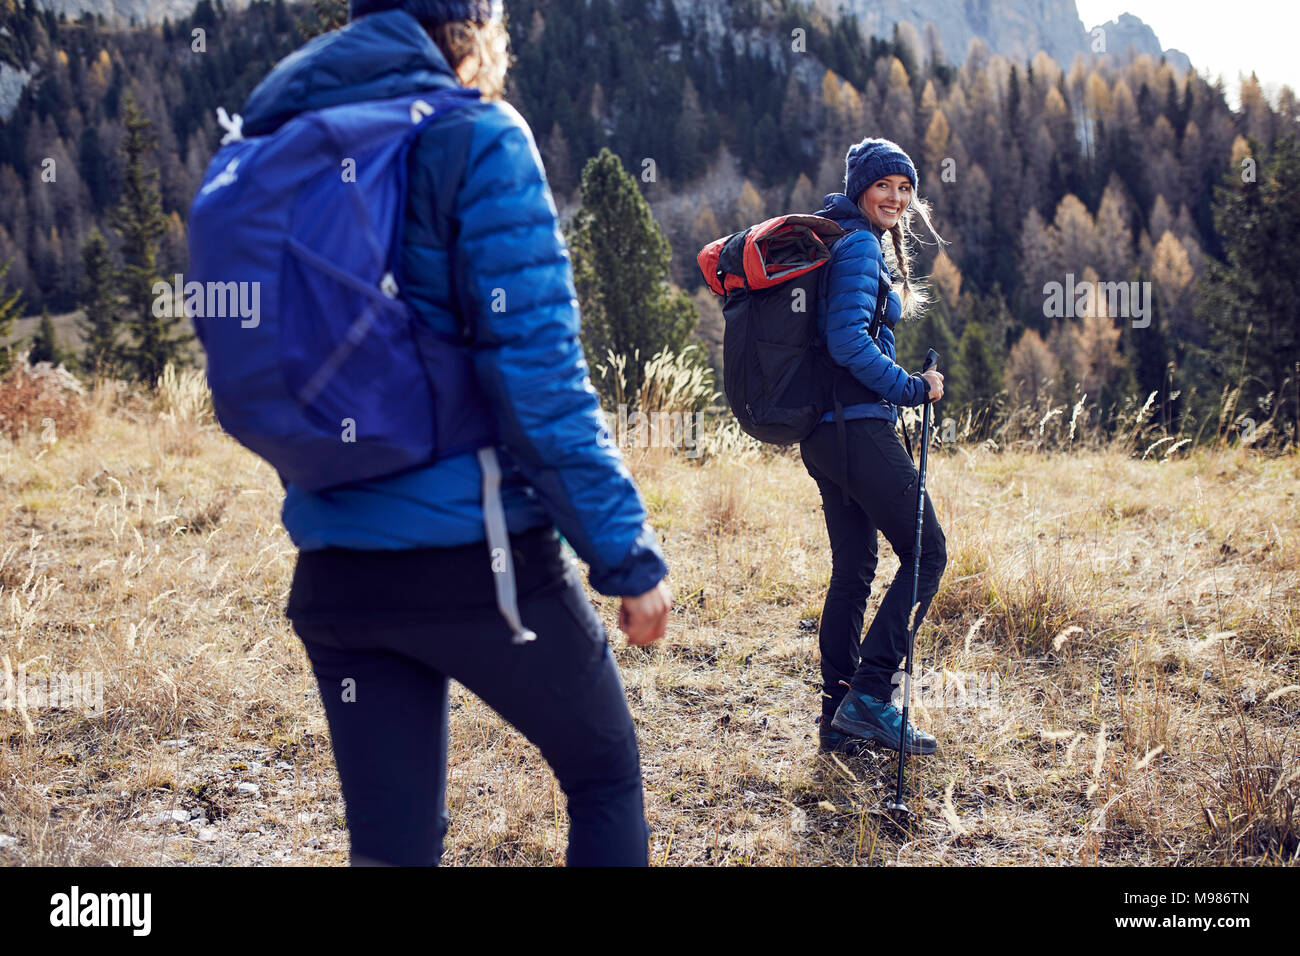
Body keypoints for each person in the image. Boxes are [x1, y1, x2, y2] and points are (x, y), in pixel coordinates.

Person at [241, 0, 673, 865]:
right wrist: (625, 557)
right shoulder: (477, 137)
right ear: (473, 30)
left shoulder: (280, 145)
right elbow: (539, 381)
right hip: (479, 566)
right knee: (602, 777)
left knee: (393, 848)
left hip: (337, 573)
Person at [799, 138, 948, 756]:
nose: (896, 197)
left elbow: (846, 341)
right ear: (861, 188)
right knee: (927, 552)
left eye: (905, 188)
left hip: (826, 435)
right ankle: (870, 695)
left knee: (855, 569)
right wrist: (914, 387)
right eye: (884, 185)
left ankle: (839, 718)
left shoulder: (836, 238)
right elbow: (847, 344)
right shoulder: (858, 244)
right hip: (856, 430)